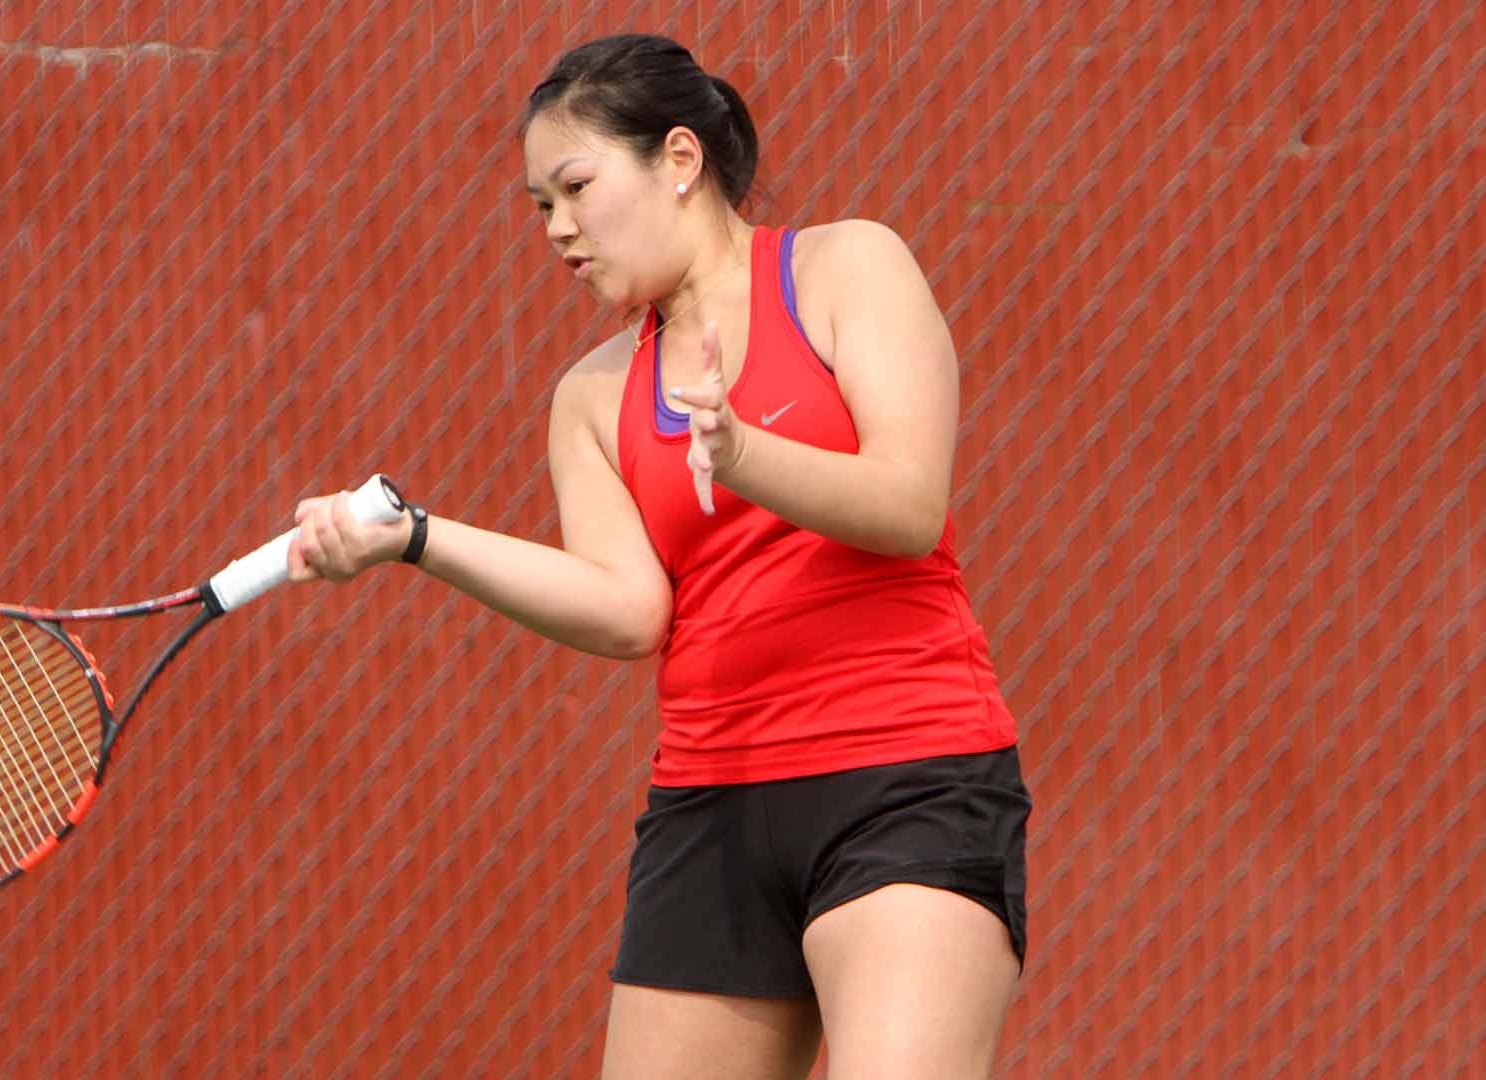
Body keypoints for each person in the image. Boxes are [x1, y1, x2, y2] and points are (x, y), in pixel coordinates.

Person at [286, 33, 1032, 1080]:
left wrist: (742, 453)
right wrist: (413, 536)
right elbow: (630, 610)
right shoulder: (590, 397)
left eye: (578, 187)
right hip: (710, 808)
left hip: (903, 780)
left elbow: (909, 504)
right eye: (540, 204)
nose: (558, 228)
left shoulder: (847, 265)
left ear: (680, 160)